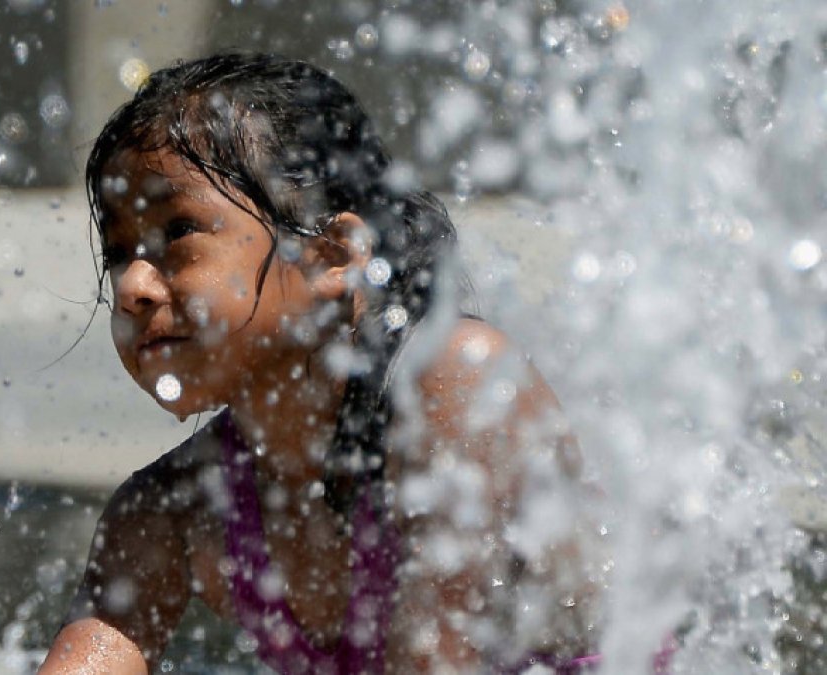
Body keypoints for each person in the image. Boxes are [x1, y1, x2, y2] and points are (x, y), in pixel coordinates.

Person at [39, 52, 602, 674]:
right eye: (119, 252)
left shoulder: (456, 385)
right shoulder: (173, 513)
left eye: (178, 233)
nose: (133, 285)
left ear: (331, 257)